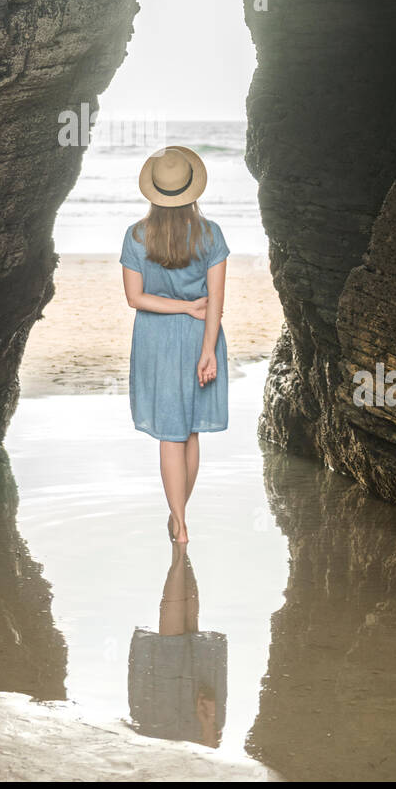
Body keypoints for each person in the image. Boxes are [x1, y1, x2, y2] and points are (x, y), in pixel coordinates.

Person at [119, 145, 229, 545]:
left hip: (156, 338)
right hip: (201, 334)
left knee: (171, 433)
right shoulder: (211, 234)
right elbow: (215, 300)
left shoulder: (136, 235)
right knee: (191, 432)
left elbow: (135, 298)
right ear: (192, 190)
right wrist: (207, 350)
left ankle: (179, 523)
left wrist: (180, 308)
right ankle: (178, 515)